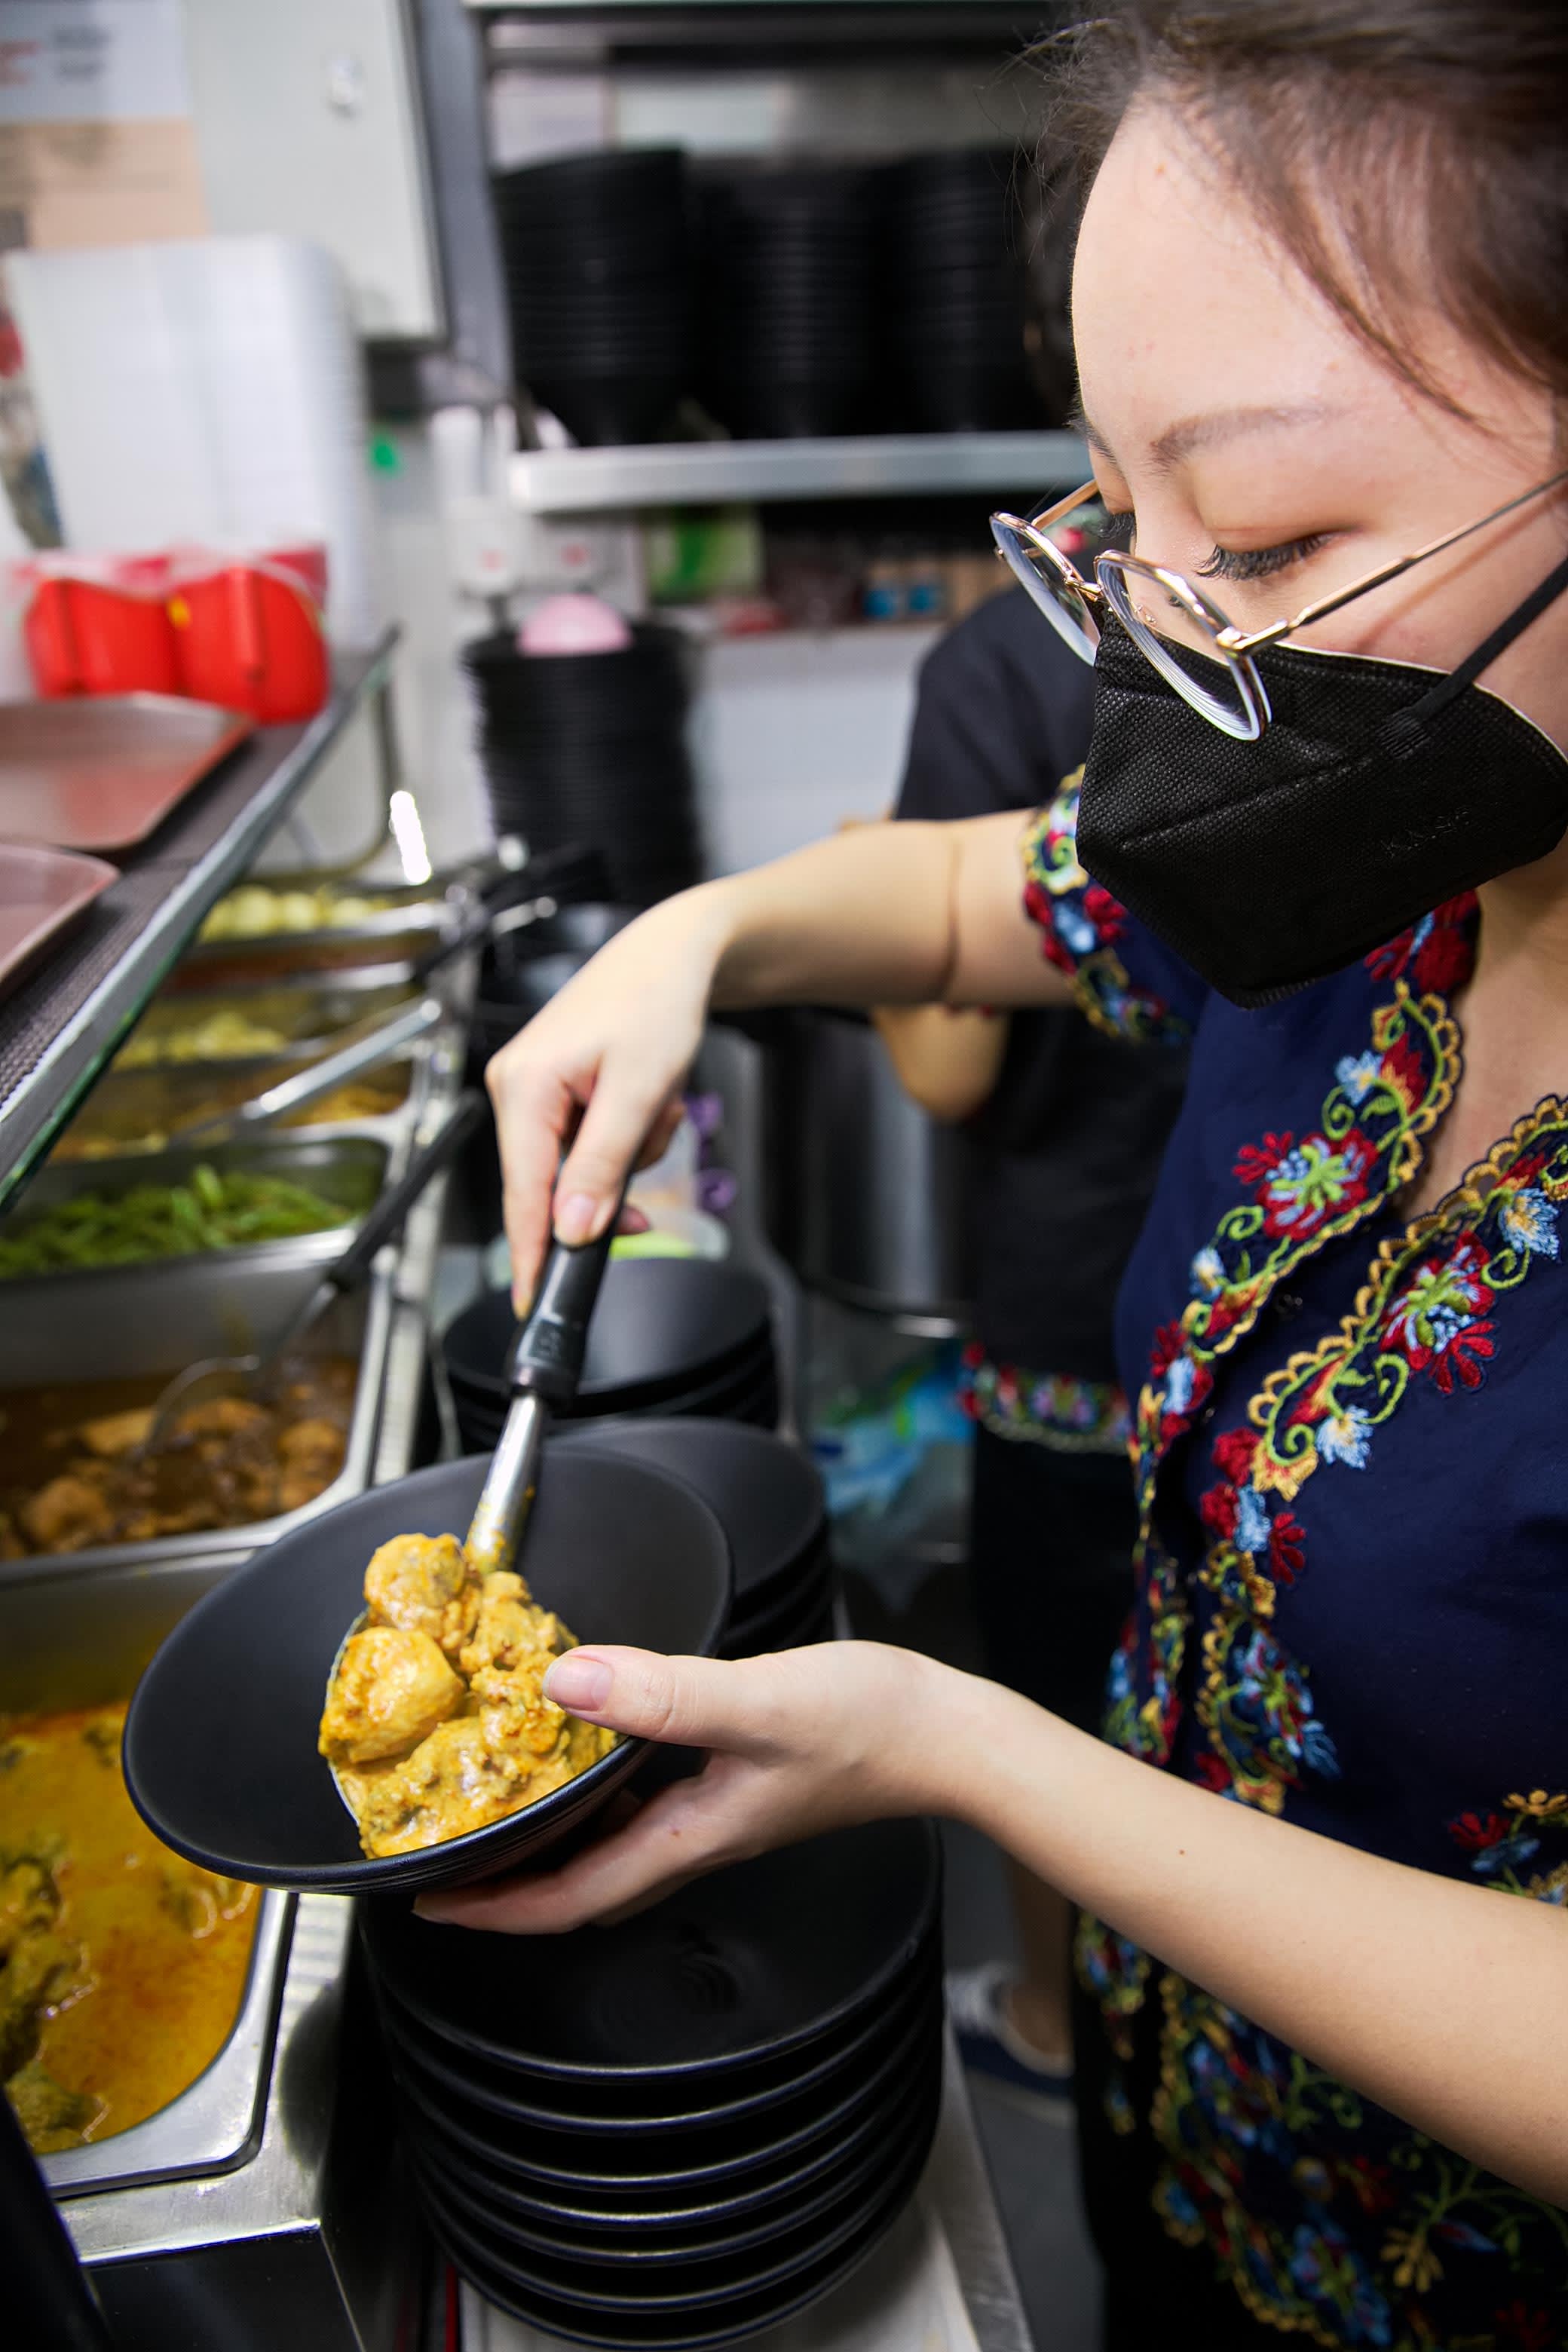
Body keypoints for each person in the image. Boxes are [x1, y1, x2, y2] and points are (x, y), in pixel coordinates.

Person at [430, 5, 1568, 2342]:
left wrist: (961, 1750)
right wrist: (697, 937)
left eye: (1255, 537)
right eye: (1121, 524)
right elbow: (985, 904)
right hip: (1189, 2154)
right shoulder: (1388, 874)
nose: (1163, 647)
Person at [871, 589, 1187, 2100]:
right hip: (1282, 1296)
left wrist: (887, 910)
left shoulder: (998, 662)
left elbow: (943, 1062)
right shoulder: (1317, 647)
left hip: (1075, 1296)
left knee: (1062, 1703)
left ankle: (1065, 2025)